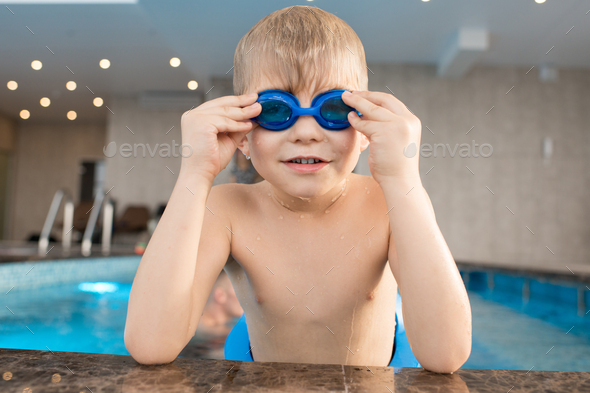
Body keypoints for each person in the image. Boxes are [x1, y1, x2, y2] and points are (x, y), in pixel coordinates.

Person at [124, 5, 472, 373]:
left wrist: (404, 179)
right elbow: (151, 344)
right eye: (276, 110)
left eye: (333, 108)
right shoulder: (228, 209)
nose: (306, 133)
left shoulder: (388, 202)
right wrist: (195, 173)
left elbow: (445, 354)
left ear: (365, 127)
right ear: (242, 133)